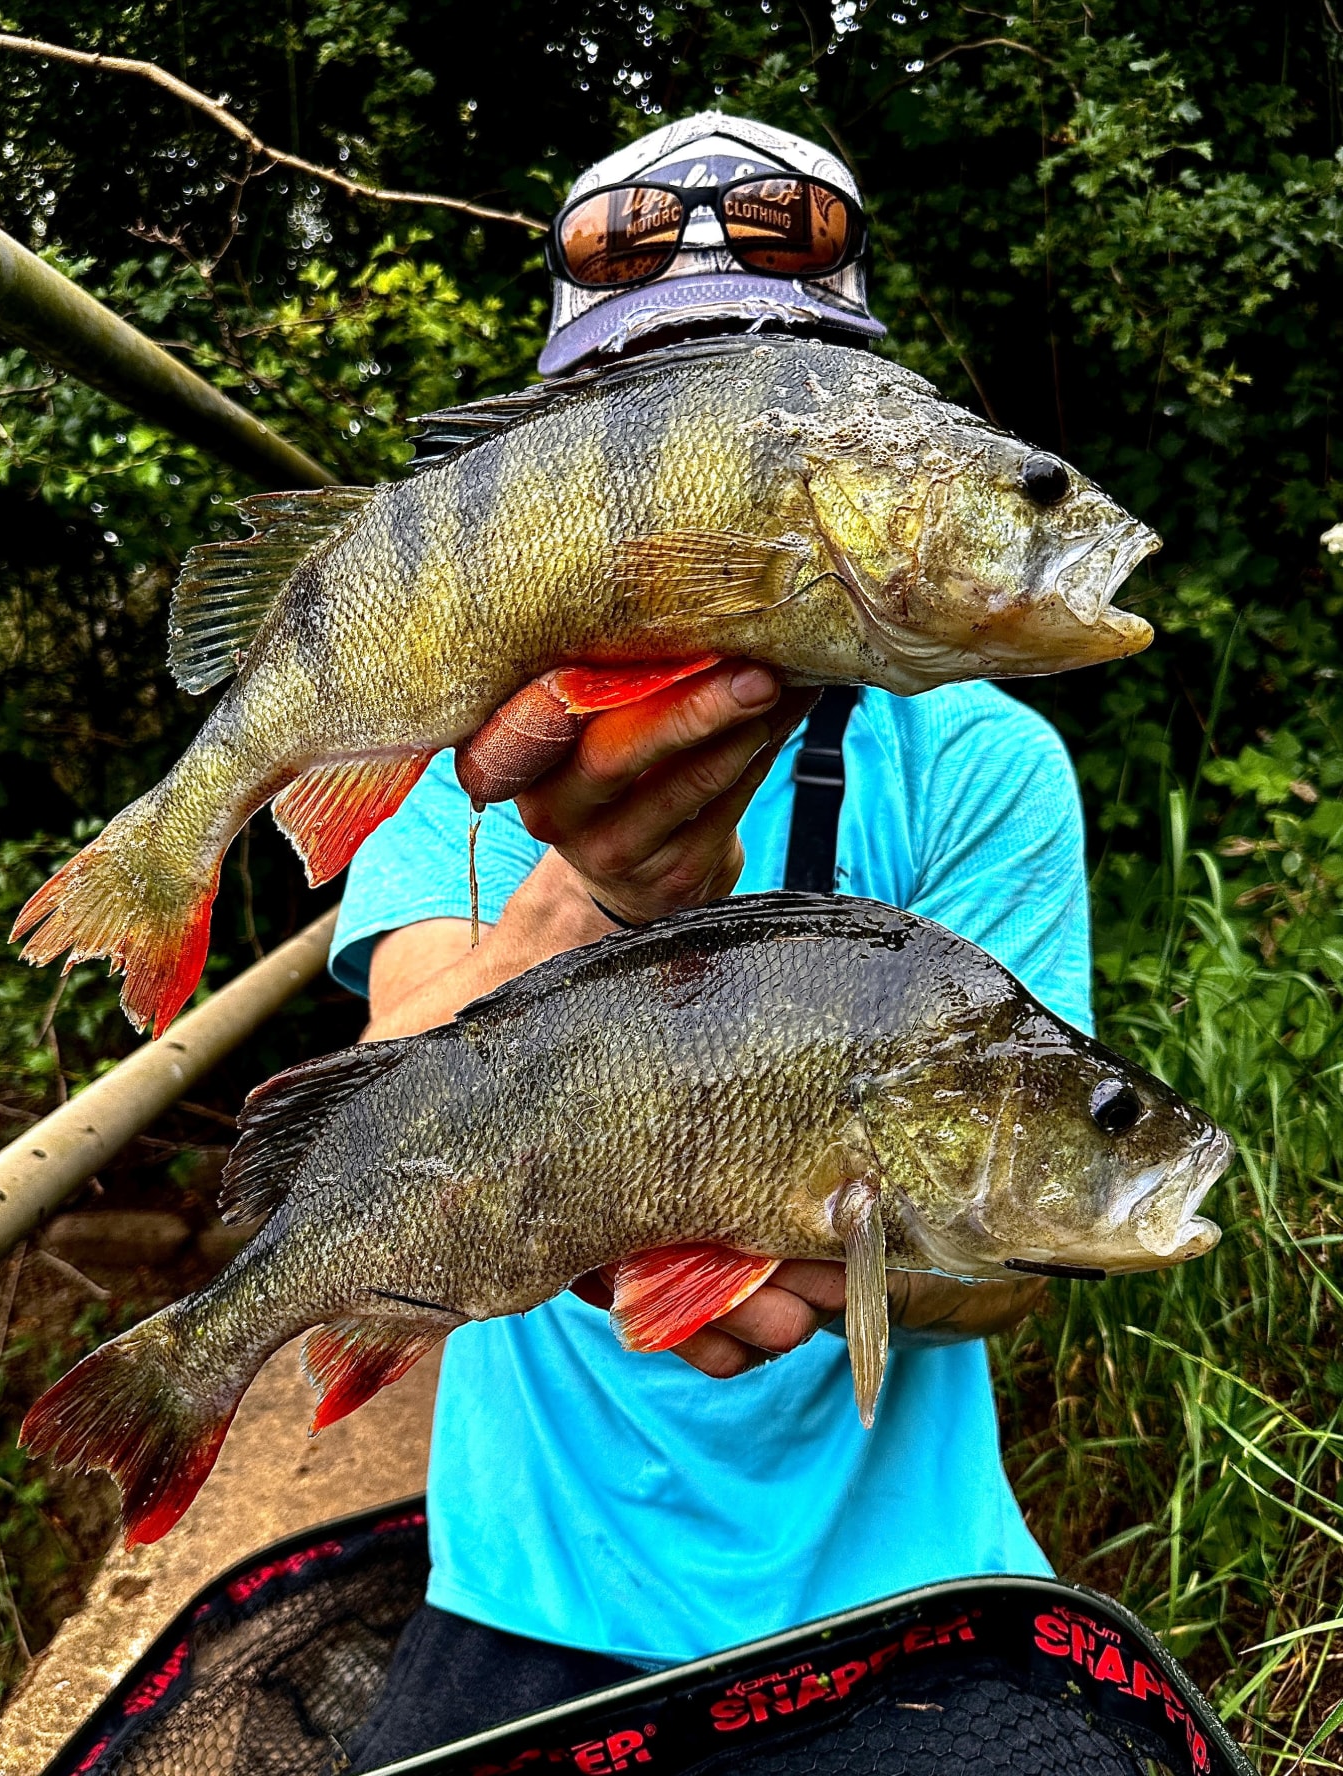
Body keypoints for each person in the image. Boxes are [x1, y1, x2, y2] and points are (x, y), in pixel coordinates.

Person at [334, 113, 1096, 1766]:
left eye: (771, 430)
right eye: (653, 434)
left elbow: (1019, 1249)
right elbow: (373, 1137)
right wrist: (587, 891)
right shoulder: (471, 750)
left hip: (909, 1578)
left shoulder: (985, 760)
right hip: (536, 1572)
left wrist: (803, 1247)